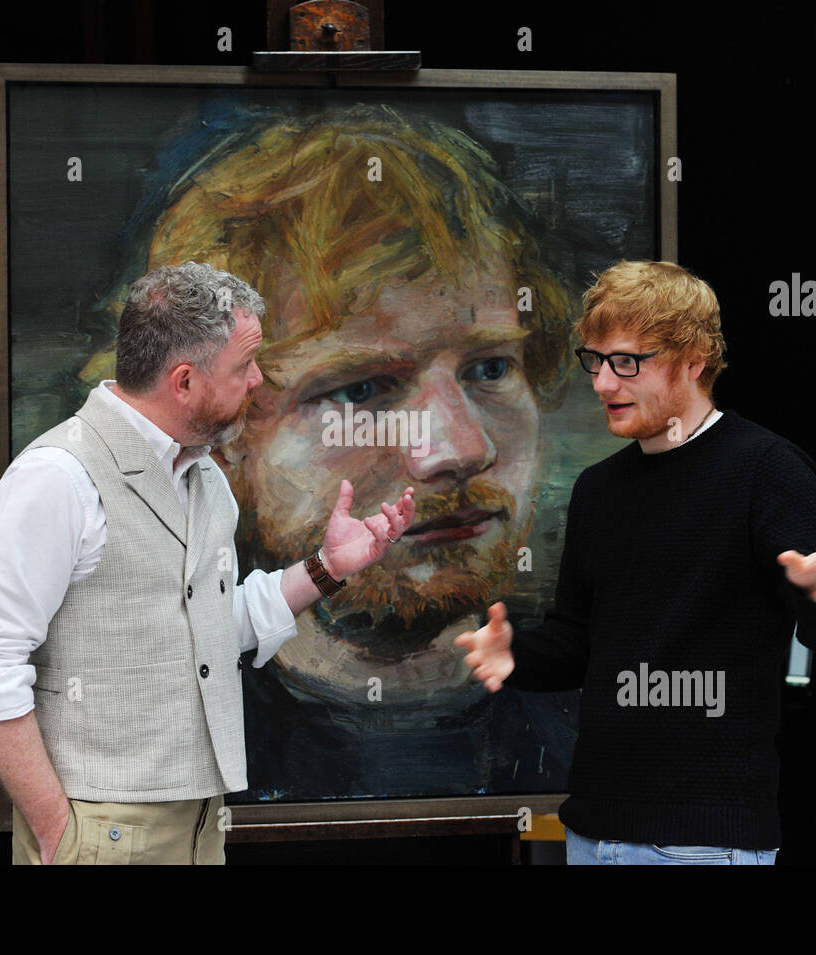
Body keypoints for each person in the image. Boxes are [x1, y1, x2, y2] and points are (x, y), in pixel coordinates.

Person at [75, 104, 585, 798]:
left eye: (490, 369)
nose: (462, 450)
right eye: (364, 387)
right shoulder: (144, 748)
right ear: (220, 435)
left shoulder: (608, 730)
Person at [0, 261, 415, 864]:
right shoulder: (58, 478)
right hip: (98, 829)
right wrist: (61, 834)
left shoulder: (203, 480)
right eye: (243, 365)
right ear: (185, 381)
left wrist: (326, 567)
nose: (257, 380)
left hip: (200, 824)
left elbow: (208, 628)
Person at [456, 260, 816, 865]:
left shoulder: (767, 469)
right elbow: (579, 643)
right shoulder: (599, 489)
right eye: (596, 360)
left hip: (705, 841)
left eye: (628, 361)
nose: (604, 383)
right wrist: (514, 655)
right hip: (591, 831)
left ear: (694, 360)